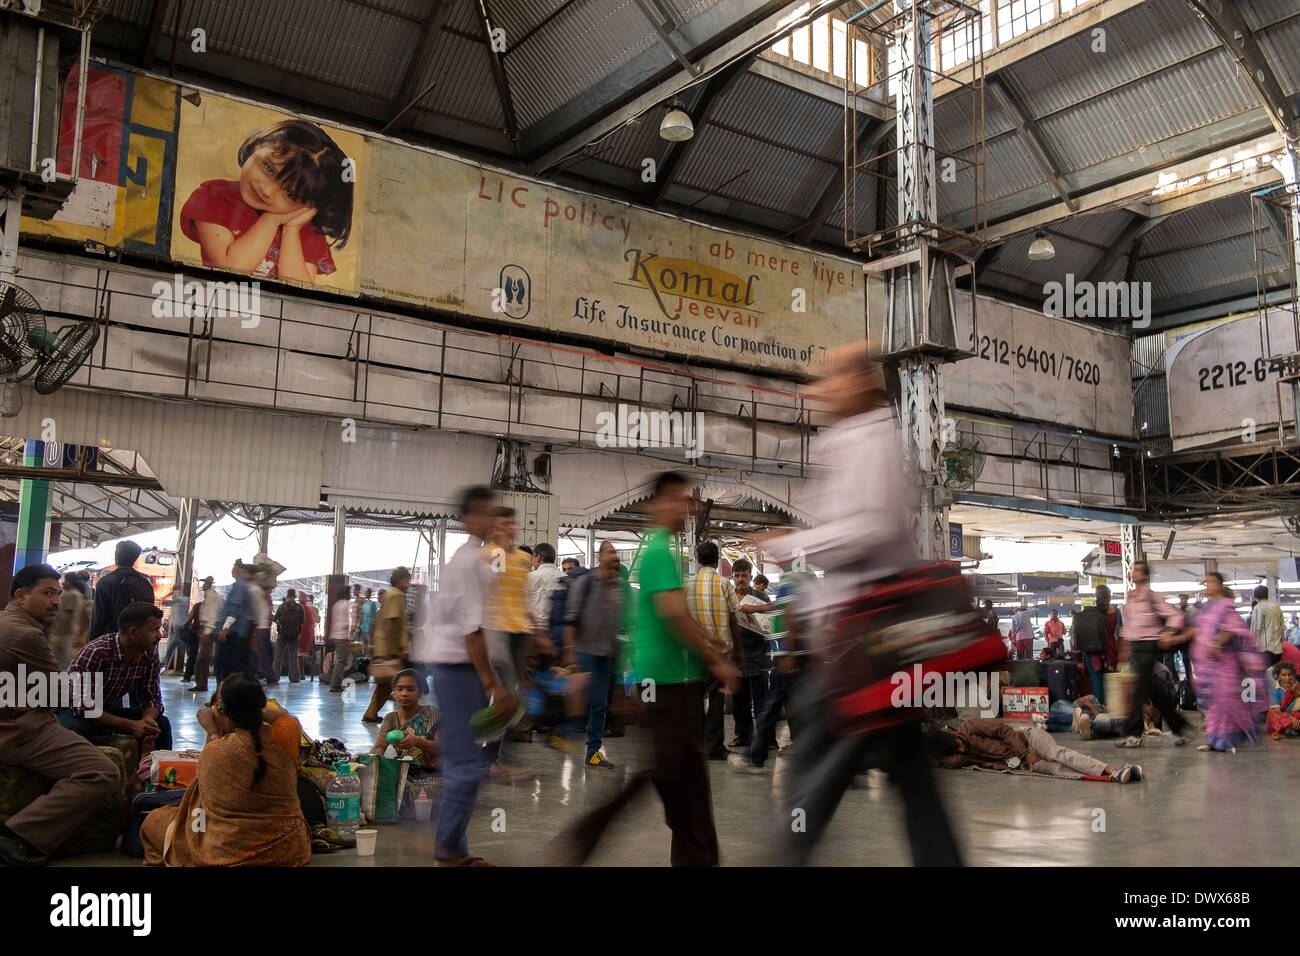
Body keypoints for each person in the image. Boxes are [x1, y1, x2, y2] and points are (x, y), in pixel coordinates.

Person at [761, 342, 963, 867]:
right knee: (910, 773)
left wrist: (791, 545)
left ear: (860, 382)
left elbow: (873, 528)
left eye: (829, 377)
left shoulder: (873, 437)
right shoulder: (850, 437)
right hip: (869, 635)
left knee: (818, 764)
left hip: (870, 637)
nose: (819, 390)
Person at [551, 471, 740, 867]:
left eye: (687, 499)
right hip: (668, 687)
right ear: (656, 505)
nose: (684, 507)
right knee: (681, 785)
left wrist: (708, 642)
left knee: (676, 782)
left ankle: (588, 839)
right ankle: (584, 838)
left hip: (666, 683)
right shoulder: (657, 552)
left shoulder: (663, 554)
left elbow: (672, 611)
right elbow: (672, 615)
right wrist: (715, 660)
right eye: (676, 499)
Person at [0, 564, 121, 866]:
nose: (56, 600)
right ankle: (17, 835)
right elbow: (60, 693)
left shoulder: (5, 622)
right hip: (18, 729)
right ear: (21, 596)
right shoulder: (25, 635)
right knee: (101, 771)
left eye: (57, 593)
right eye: (47, 593)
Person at [413, 485, 508, 867]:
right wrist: (493, 685)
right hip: (457, 669)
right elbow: (472, 631)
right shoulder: (468, 561)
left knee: (465, 762)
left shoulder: (476, 559)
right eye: (484, 513)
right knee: (466, 767)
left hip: (461, 668)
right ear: (467, 518)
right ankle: (447, 853)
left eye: (493, 513)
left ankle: (455, 850)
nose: (491, 520)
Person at [141, 673, 311, 865]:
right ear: (262, 704)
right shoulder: (288, 730)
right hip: (289, 847)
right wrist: (250, 709)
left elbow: (203, 801)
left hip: (231, 851)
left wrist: (213, 732)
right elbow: (285, 716)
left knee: (155, 820)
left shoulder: (216, 750)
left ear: (224, 711)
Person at [179, 119, 353, 284]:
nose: (267, 191)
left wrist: (291, 230)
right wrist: (272, 219)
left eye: (289, 193)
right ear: (256, 145)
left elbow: (299, 291)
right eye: (269, 168)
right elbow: (230, 270)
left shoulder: (307, 231)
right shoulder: (215, 197)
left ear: (307, 207)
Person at [59, 601, 173, 754]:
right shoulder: (97, 652)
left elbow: (152, 698)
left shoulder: (149, 655)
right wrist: (132, 726)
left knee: (161, 724)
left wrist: (147, 722)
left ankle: (159, 774)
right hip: (71, 709)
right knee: (79, 729)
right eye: (154, 630)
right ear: (133, 632)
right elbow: (83, 708)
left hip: (104, 709)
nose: (159, 635)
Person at [557, 540, 630, 769]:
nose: (614, 556)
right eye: (609, 552)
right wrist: (569, 650)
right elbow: (571, 616)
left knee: (599, 704)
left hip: (607, 653)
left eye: (615, 552)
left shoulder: (618, 584)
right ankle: (561, 735)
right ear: (600, 557)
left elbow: (619, 616)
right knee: (583, 702)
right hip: (585, 651)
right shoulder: (586, 582)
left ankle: (593, 752)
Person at [482, 506, 537, 780]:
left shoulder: (525, 558)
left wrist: (533, 622)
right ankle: (477, 757)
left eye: (512, 523)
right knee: (494, 691)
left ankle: (490, 758)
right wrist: (501, 550)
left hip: (520, 631)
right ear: (493, 527)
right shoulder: (487, 554)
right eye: (503, 523)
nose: (509, 527)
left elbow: (520, 593)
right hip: (494, 629)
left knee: (507, 697)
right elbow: (488, 584)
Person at [1189, 573, 1270, 752]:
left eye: (1210, 582)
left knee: (1228, 701)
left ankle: (1231, 738)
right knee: (1213, 704)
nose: (1207, 585)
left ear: (1219, 585)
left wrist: (1217, 643)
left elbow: (1233, 629)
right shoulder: (1206, 609)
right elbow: (1198, 631)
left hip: (1225, 663)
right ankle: (1214, 740)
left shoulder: (1226, 607)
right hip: (1209, 665)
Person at [1115, 561, 1190, 749]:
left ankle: (1134, 734)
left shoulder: (1153, 597)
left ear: (1145, 575)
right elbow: (1129, 626)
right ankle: (1181, 727)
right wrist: (1124, 648)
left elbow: (1176, 616)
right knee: (1153, 692)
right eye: (1132, 570)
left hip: (1150, 646)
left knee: (1138, 690)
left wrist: (1168, 633)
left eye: (1137, 571)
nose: (1133, 573)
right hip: (1136, 648)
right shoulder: (1131, 599)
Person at [924, 719, 1141, 783]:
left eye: (960, 743)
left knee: (1057, 753)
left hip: (1028, 739)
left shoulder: (969, 727)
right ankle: (1117, 775)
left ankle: (1112, 769)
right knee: (1055, 770)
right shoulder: (959, 755)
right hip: (1022, 761)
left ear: (954, 735)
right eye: (958, 750)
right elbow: (948, 762)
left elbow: (1003, 729)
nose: (962, 748)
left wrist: (1025, 754)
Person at [683, 540, 742, 760]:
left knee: (696, 697)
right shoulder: (725, 584)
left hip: (696, 650)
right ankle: (714, 747)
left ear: (698, 561)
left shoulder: (688, 585)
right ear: (717, 561)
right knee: (717, 698)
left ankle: (697, 744)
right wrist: (740, 651)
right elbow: (734, 620)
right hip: (720, 651)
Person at [369, 669, 441, 814]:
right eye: (400, 689)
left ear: (420, 692)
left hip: (428, 776)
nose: (404, 694)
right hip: (401, 775)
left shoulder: (432, 714)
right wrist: (377, 747)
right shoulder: (390, 718)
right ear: (393, 693)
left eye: (410, 689)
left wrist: (416, 741)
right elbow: (378, 754)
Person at [729, 557, 774, 754]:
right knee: (740, 703)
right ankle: (742, 736)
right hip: (735, 656)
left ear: (750, 577)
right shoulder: (728, 596)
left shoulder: (761, 597)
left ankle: (768, 739)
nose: (741, 579)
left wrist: (754, 609)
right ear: (732, 577)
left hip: (758, 654)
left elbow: (772, 615)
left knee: (763, 702)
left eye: (744, 575)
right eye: (737, 575)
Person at [363, 568, 412, 723]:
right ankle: (403, 716)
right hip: (391, 647)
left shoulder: (389, 596)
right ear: (400, 580)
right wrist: (390, 648)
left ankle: (371, 713)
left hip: (383, 645)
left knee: (385, 685)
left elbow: (375, 623)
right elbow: (391, 621)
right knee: (397, 683)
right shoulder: (396, 596)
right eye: (406, 580)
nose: (408, 583)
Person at [88, 540, 155, 641]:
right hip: (138, 643)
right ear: (135, 559)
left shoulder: (105, 582)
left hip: (110, 644)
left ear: (116, 557)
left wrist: (91, 644)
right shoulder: (145, 584)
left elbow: (98, 619)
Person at [213, 561, 256, 684]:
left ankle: (222, 696)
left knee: (223, 666)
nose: (232, 570)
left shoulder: (240, 585)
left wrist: (225, 628)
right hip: (237, 632)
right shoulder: (244, 586)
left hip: (232, 632)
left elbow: (235, 607)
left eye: (235, 568)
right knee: (234, 666)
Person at [50, 572, 89, 671]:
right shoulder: (76, 594)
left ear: (70, 582)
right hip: (67, 631)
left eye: (65, 580)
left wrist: (62, 636)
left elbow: (69, 616)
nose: (63, 583)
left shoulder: (71, 595)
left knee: (61, 660)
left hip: (64, 632)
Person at [528, 543, 563, 650]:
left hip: (533, 633)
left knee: (531, 665)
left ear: (537, 557)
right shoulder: (564, 577)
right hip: (557, 633)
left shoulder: (530, 577)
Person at [270, 589, 304, 684]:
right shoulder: (299, 607)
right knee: (293, 656)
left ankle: (275, 677)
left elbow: (276, 619)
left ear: (287, 595)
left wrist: (280, 624)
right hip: (294, 634)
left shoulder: (282, 606)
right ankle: (294, 678)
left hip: (282, 634)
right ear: (295, 596)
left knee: (278, 656)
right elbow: (302, 621)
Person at [1250, 584, 1285, 668]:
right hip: (1278, 650)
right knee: (1274, 676)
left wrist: (1250, 647)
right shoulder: (1276, 607)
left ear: (1254, 596)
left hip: (1265, 650)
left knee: (1266, 677)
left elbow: (1256, 629)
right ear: (1267, 595)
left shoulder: (1258, 607)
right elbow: (1282, 627)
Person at [1266, 660, 1300, 738]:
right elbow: (1277, 711)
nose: (1287, 678)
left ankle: (1293, 728)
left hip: (1298, 716)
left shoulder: (1298, 686)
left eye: (1290, 675)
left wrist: (1297, 691)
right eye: (1284, 675)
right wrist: (1291, 718)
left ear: (1293, 675)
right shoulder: (1274, 691)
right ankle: (1289, 728)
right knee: (1272, 713)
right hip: (1286, 718)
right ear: (1278, 676)